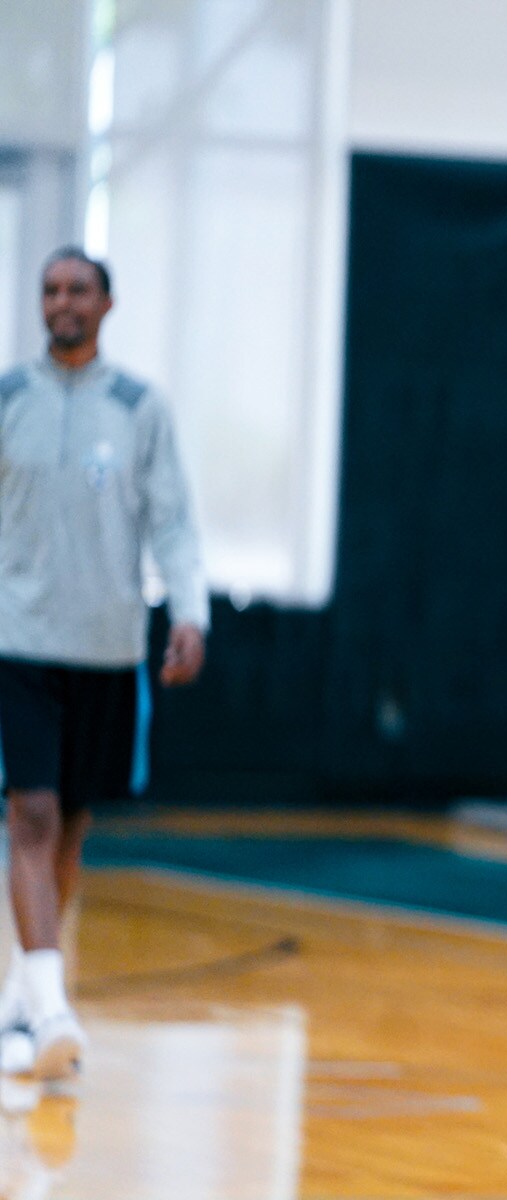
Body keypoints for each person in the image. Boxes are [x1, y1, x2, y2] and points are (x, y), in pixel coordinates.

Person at [0, 247, 209, 1079]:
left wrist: (189, 610)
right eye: (50, 290)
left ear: (107, 303)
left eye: (78, 289)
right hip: (18, 643)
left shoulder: (140, 408)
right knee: (32, 818)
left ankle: (23, 1006)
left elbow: (174, 524)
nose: (63, 303)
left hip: (108, 647)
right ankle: (52, 1005)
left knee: (70, 826)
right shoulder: (8, 399)